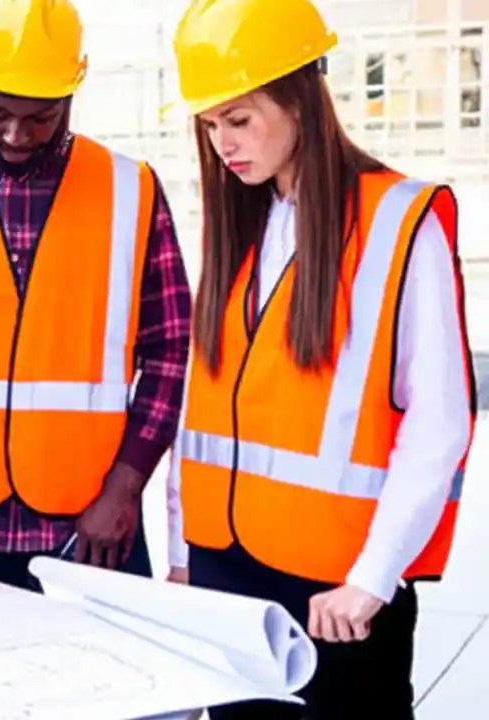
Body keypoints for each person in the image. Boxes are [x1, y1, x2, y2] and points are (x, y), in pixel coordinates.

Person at [169, 0, 476, 717]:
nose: (224, 144)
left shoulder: (398, 223)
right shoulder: (241, 224)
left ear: (302, 99)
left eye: (239, 119)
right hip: (225, 570)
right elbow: (202, 409)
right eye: (211, 126)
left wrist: (372, 579)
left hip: (332, 593)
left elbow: (440, 421)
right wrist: (183, 555)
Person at [0, 0, 192, 592]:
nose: (15, 134)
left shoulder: (131, 189)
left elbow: (172, 352)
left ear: (72, 97)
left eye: (41, 118)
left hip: (94, 527)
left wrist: (125, 487)